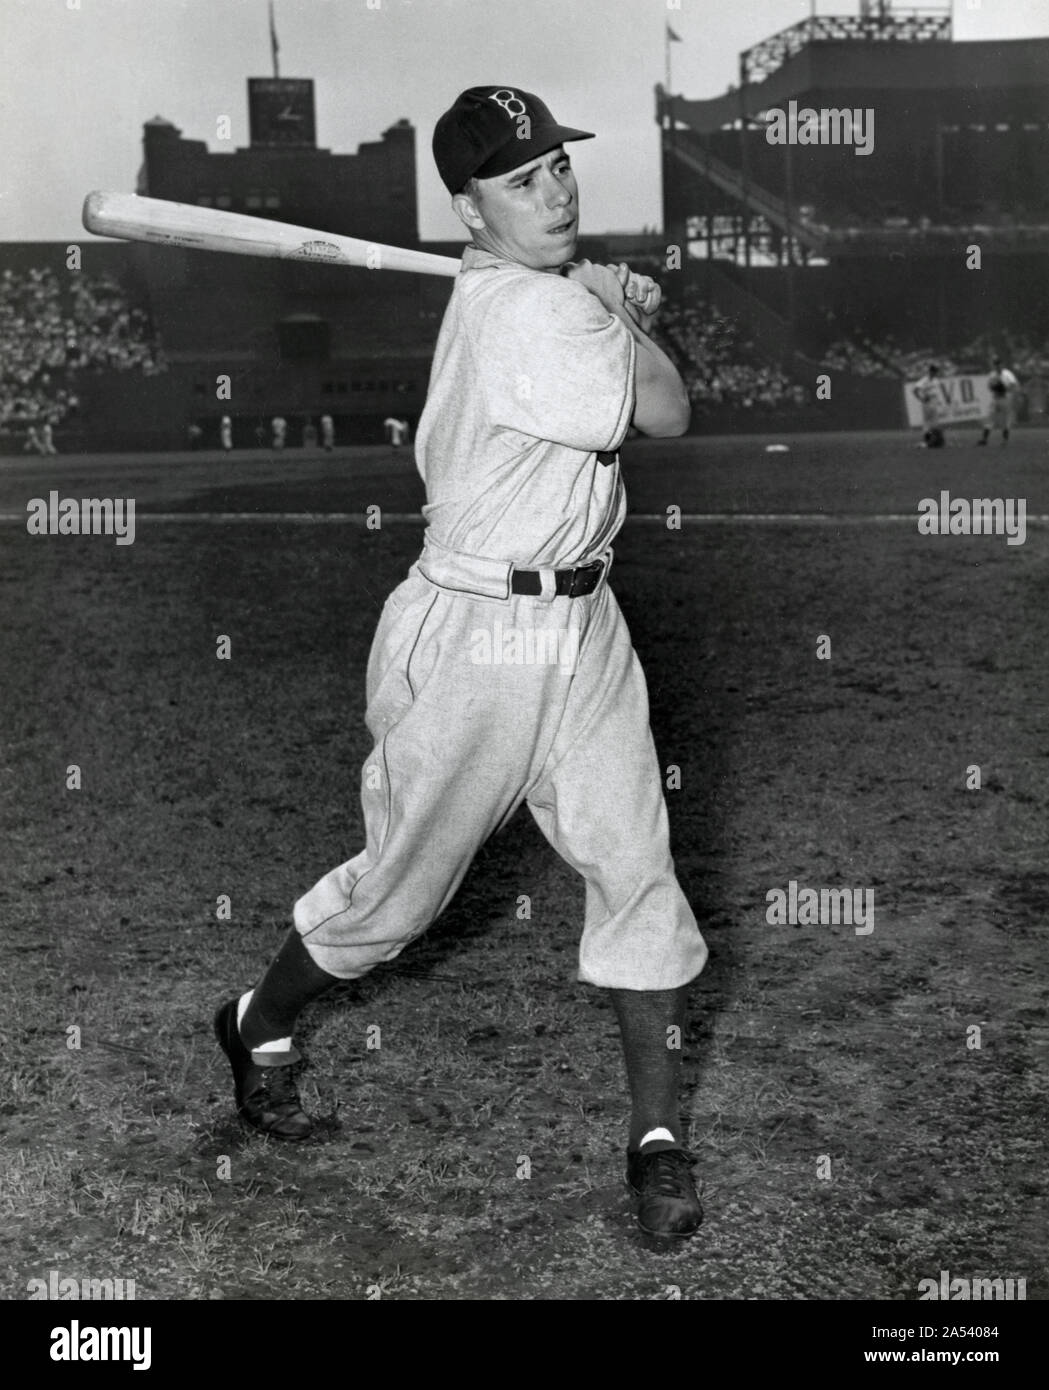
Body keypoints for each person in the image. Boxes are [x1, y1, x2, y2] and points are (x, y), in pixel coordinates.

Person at [214, 86, 708, 1241]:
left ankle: (655, 1141)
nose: (554, 189)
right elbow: (672, 412)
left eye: (556, 167)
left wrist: (607, 304)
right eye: (519, 178)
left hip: (581, 626)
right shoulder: (520, 317)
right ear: (467, 210)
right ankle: (257, 1017)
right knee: (397, 900)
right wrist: (615, 310)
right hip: (477, 635)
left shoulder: (534, 298)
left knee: (637, 866)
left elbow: (644, 391)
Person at [978, 356, 1019, 446]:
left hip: (1005, 398)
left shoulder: (1007, 373)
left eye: (998, 364)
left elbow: (1014, 385)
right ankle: (984, 439)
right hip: (995, 398)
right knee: (989, 419)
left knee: (1005, 420)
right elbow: (989, 386)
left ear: (1002, 364)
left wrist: (1006, 388)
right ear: (994, 365)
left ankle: (1005, 441)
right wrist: (995, 386)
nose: (997, 365)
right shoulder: (992, 374)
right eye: (995, 364)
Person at [912, 362, 945, 448]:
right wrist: (921, 398)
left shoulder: (936, 380)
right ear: (930, 371)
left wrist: (940, 400)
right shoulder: (924, 380)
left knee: (935, 423)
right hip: (927, 403)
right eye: (933, 371)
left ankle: (936, 441)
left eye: (936, 371)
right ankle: (927, 441)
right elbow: (915, 390)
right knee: (927, 423)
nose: (935, 373)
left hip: (934, 403)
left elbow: (938, 390)